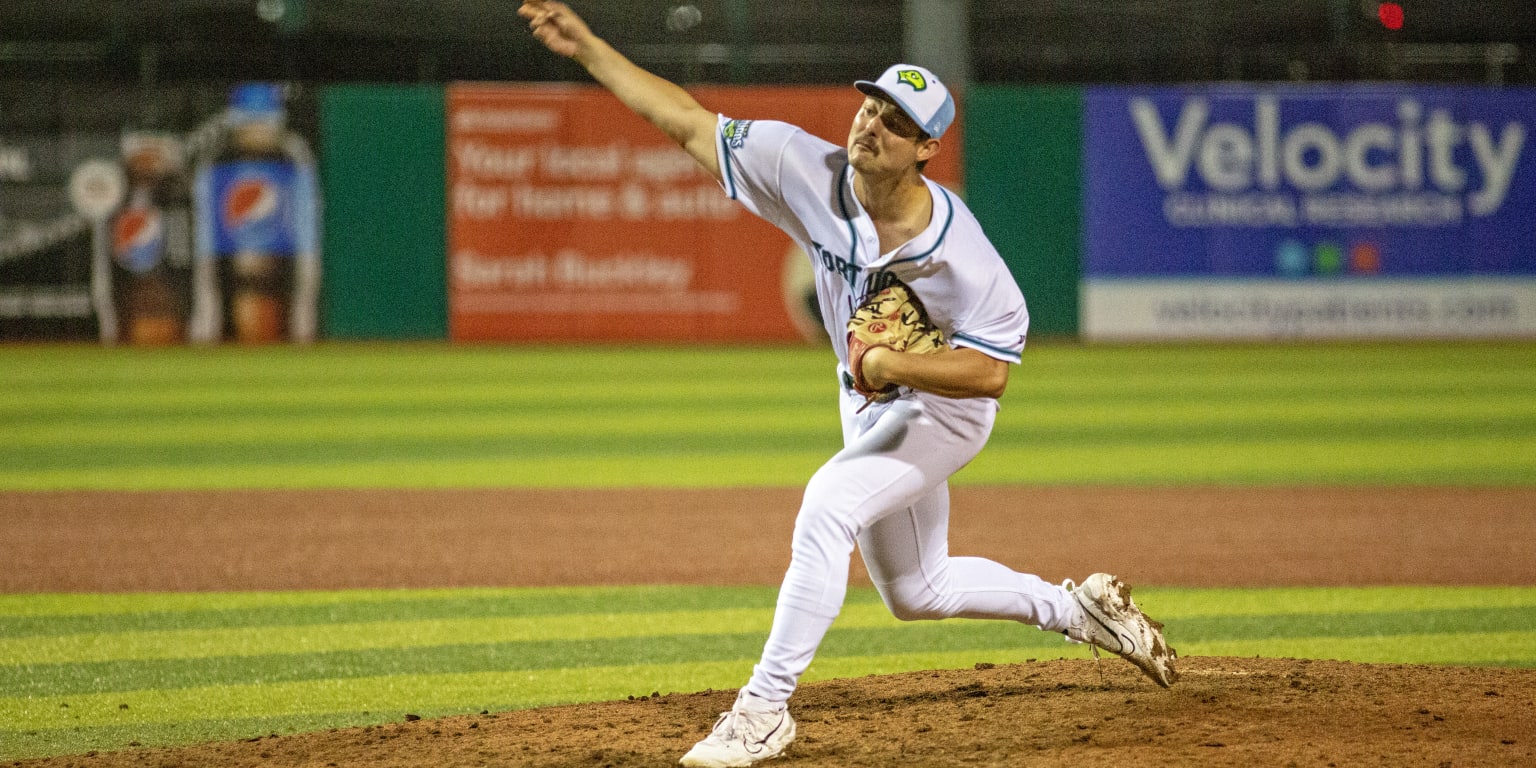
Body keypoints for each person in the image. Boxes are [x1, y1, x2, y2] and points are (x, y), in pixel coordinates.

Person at [518, 3, 1177, 766]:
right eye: (871, 106)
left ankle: (763, 710)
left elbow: (990, 374)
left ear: (928, 147)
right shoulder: (805, 166)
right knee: (917, 591)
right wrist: (592, 49)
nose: (871, 125)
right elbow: (689, 122)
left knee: (826, 507)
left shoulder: (960, 255)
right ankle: (1080, 610)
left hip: (940, 410)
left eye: (897, 123)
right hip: (867, 397)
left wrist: (892, 365)